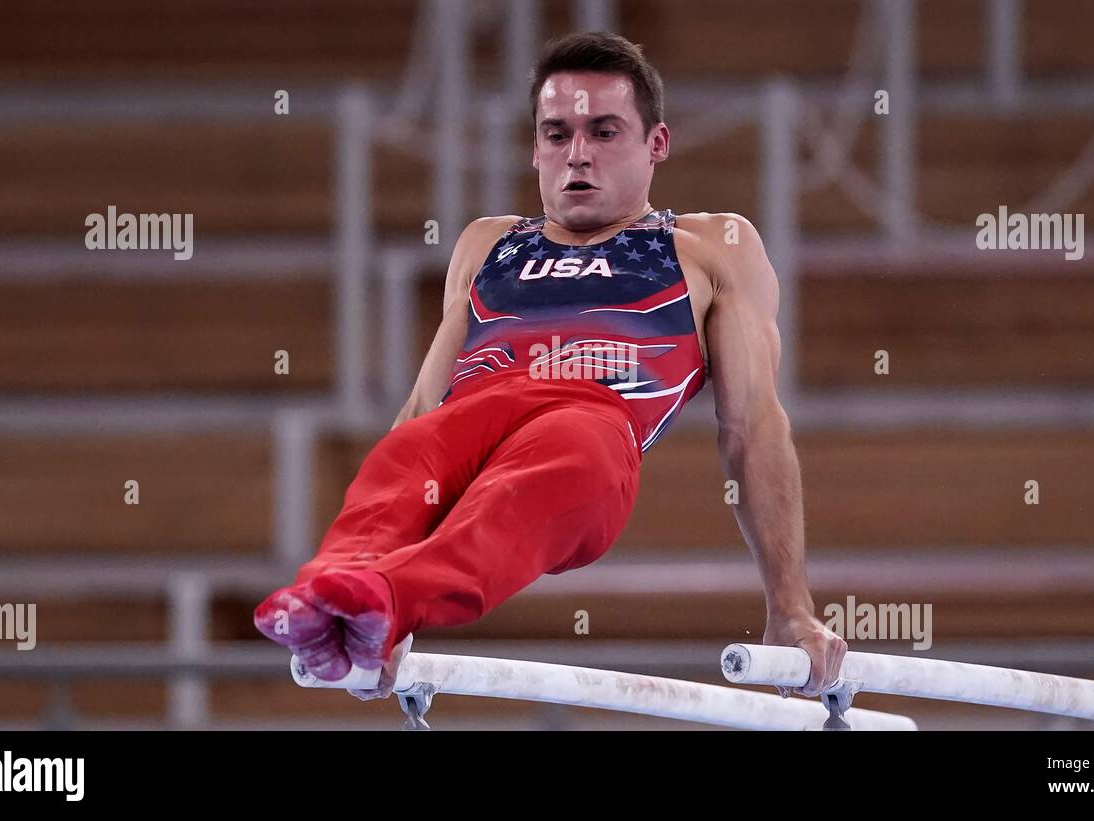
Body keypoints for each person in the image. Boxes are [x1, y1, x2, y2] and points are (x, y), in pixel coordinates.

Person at [255, 31, 846, 701]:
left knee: (555, 459)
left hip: (591, 426)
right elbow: (422, 412)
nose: (577, 155)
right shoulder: (489, 242)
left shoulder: (710, 247)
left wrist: (790, 607)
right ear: (535, 147)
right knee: (410, 451)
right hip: (478, 415)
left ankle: (389, 600)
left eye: (604, 131)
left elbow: (753, 427)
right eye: (557, 133)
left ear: (657, 143)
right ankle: (340, 597)